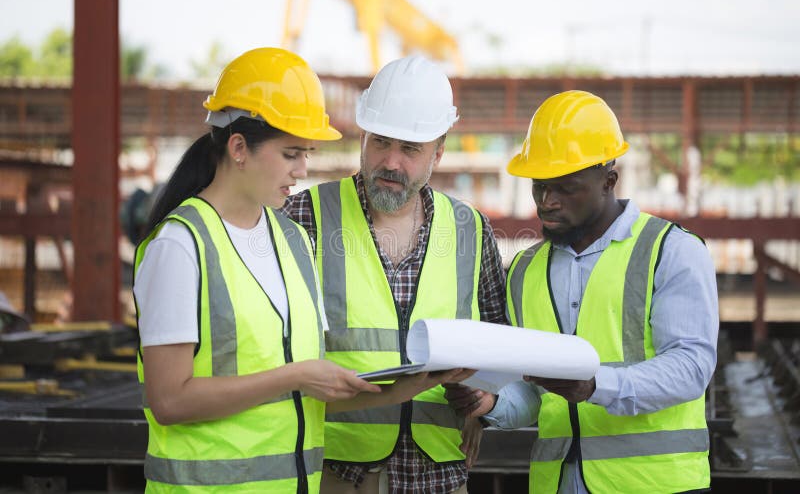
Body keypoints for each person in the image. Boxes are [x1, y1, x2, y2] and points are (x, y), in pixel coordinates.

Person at [133, 48, 468, 493]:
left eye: (306, 153)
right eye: (292, 153)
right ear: (238, 148)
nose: (303, 169)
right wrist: (296, 376)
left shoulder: (292, 240)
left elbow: (305, 397)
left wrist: (408, 388)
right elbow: (169, 400)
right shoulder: (180, 245)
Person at [445, 90, 719, 493]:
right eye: (539, 186)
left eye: (566, 187)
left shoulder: (670, 251)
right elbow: (535, 390)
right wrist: (493, 404)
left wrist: (596, 386)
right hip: (557, 484)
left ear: (609, 181)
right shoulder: (524, 270)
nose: (547, 201)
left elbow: (692, 367)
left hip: (655, 484)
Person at [281, 55, 508, 494]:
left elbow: (496, 335)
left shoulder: (469, 229)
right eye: (381, 142)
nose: (391, 162)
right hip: (338, 471)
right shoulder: (304, 216)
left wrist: (485, 400)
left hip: (438, 474)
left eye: (410, 149)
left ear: (438, 152)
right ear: (362, 136)